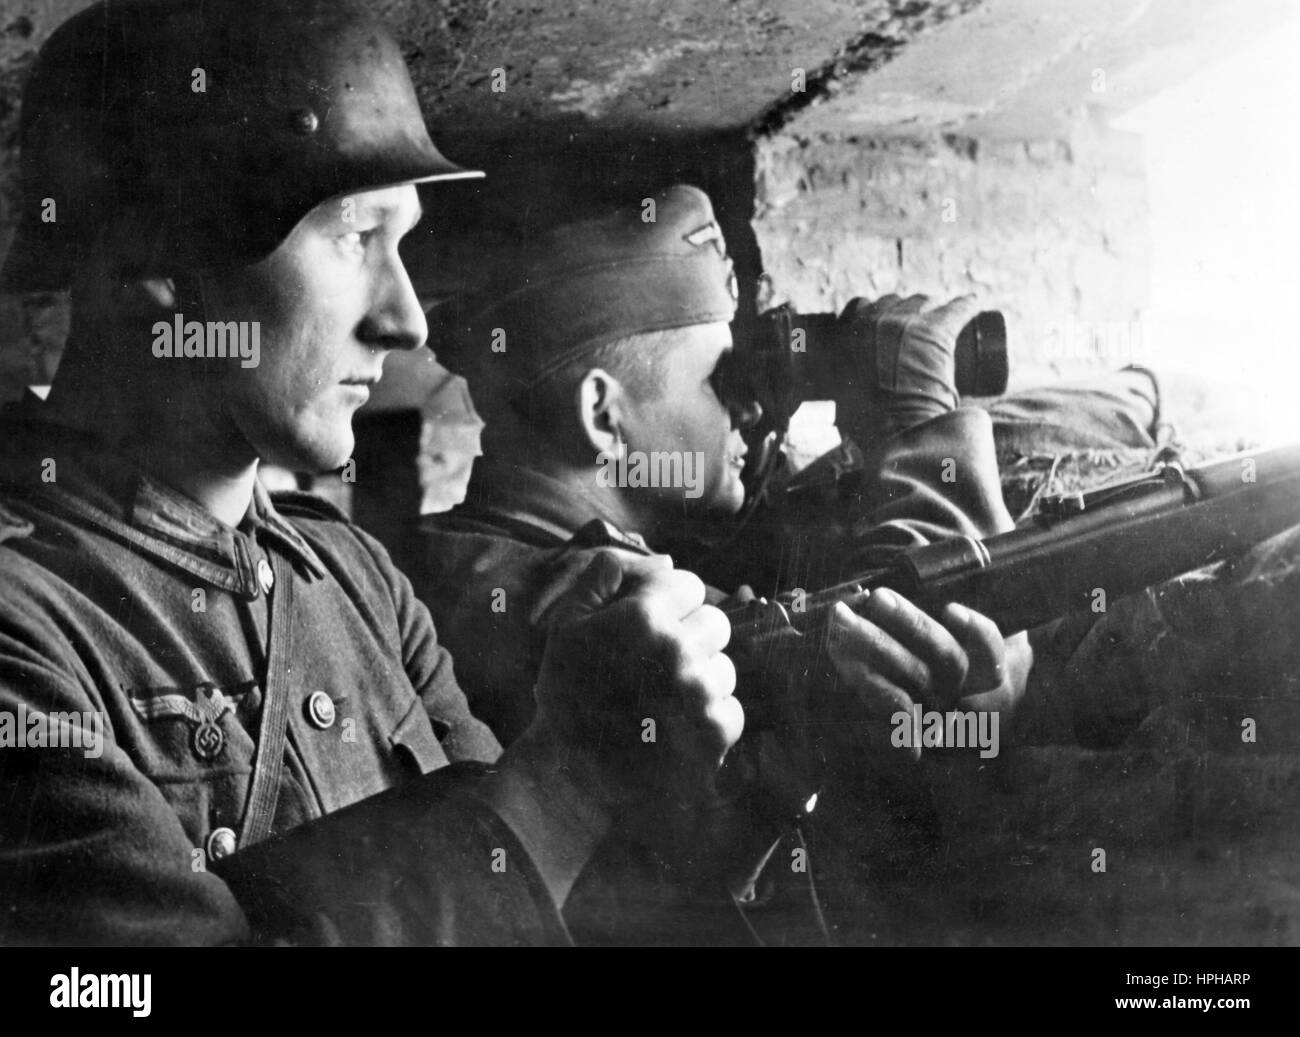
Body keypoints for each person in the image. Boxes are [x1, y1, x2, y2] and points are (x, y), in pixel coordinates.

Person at [0, 0, 743, 946]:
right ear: (156, 266)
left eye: (405, 243)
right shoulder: (24, 630)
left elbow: (539, 906)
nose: (408, 322)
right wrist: (566, 780)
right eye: (357, 239)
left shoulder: (355, 578)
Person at [418, 185, 1033, 837]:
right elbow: (937, 668)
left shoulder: (480, 552)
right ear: (602, 415)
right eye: (723, 380)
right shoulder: (576, 593)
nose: (746, 409)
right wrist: (920, 421)